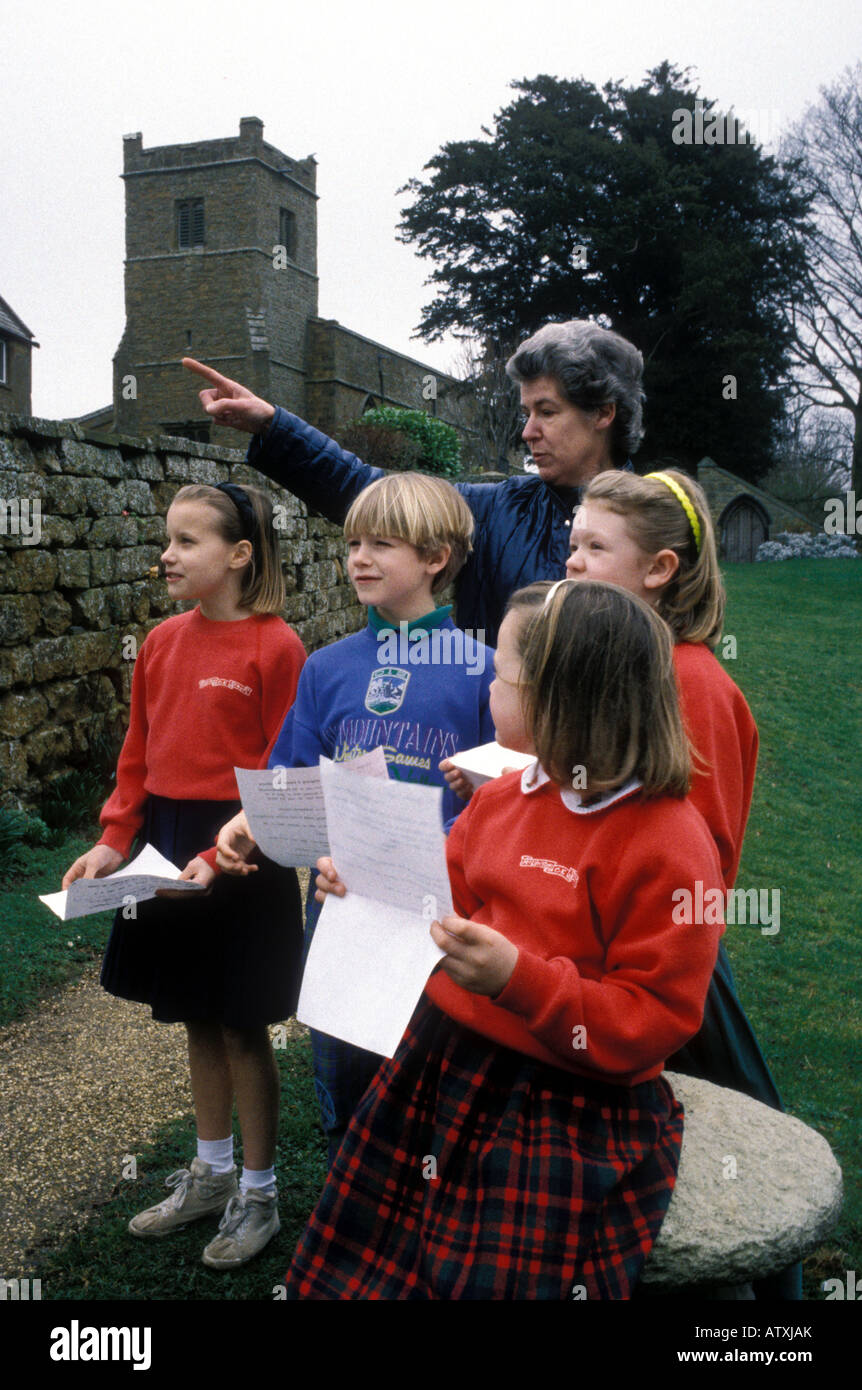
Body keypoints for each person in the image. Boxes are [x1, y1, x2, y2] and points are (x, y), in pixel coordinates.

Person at [286, 580, 724, 1299]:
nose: (488, 689)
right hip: (440, 1062)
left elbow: (652, 1022)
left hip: (561, 1099)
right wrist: (365, 884)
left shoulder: (670, 845)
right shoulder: (499, 799)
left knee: (487, 1278)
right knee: (360, 1262)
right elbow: (442, 905)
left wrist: (520, 979)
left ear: (564, 699)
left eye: (502, 678)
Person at [565, 467, 800, 1299]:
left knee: (735, 1164)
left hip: (672, 969)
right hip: (609, 964)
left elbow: (702, 856)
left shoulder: (690, 681)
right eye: (572, 543)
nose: (573, 562)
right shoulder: (620, 663)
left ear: (659, 569)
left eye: (596, 547)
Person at [214, 472, 495, 1164]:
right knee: (351, 1080)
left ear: (436, 558)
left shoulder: (486, 672)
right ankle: (357, 1225)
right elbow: (292, 777)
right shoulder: (326, 667)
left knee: (434, 1083)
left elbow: (504, 806)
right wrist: (249, 821)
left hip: (438, 917)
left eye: (383, 544)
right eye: (354, 543)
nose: (359, 558)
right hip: (342, 909)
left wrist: (439, 852)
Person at [61, 482, 306, 1269]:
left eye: (187, 541)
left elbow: (285, 766)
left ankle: (260, 1193)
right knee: (196, 1015)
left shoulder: (277, 646)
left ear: (239, 555)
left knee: (242, 1020)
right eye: (168, 538)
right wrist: (110, 841)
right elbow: (138, 756)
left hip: (244, 847)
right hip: (165, 843)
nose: (167, 553)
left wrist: (237, 844)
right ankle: (210, 1172)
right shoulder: (161, 642)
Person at [182, 317, 643, 645]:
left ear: (603, 412)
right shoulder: (496, 507)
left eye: (547, 411)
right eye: (526, 413)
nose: (527, 432)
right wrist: (272, 426)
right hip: (492, 755)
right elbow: (370, 490)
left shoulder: (654, 523)